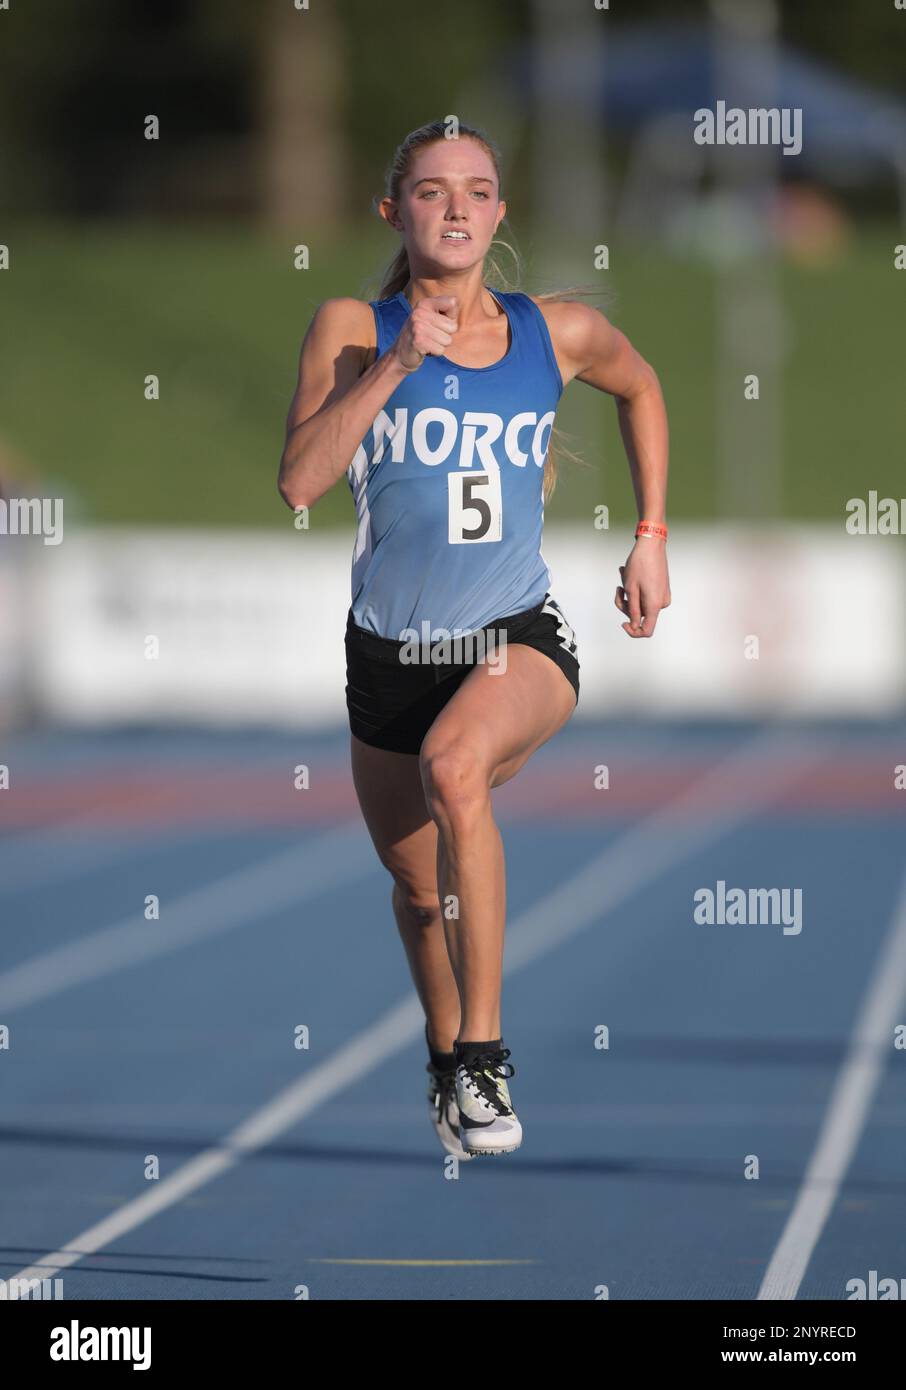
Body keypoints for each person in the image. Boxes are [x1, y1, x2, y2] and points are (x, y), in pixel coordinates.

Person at [278, 119, 670, 1158]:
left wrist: (650, 535)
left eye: (479, 190)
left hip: (515, 632)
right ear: (393, 209)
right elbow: (300, 482)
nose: (456, 206)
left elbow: (642, 384)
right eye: (433, 190)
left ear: (500, 214)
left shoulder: (558, 331)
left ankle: (488, 1056)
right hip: (387, 655)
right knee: (416, 890)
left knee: (458, 772)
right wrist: (394, 363)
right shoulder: (350, 327)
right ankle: (448, 1056)